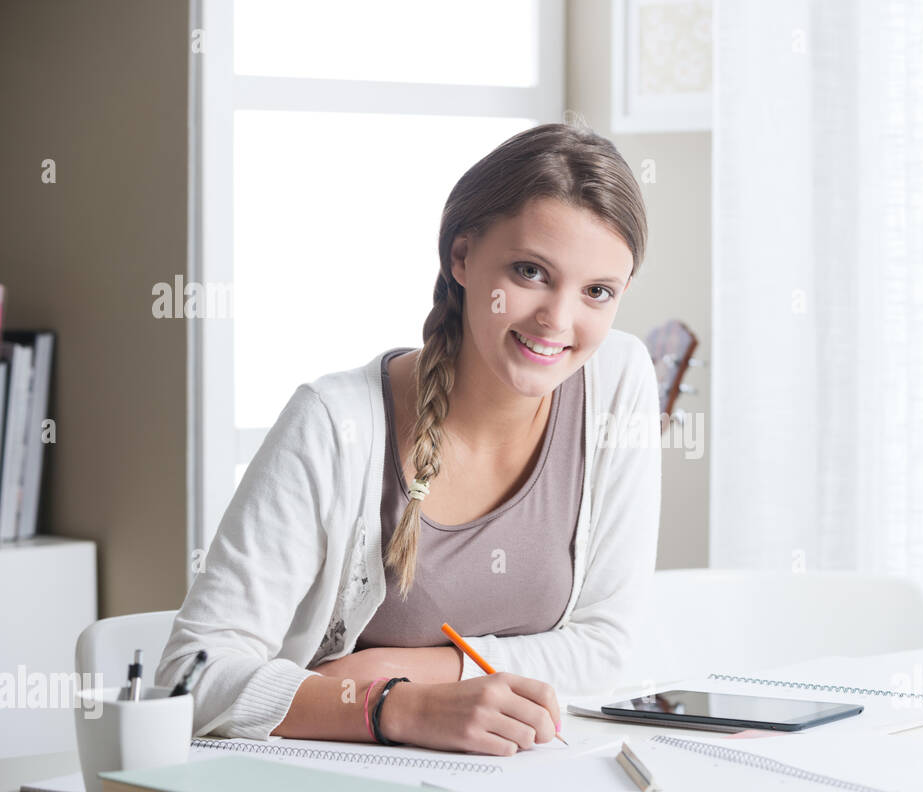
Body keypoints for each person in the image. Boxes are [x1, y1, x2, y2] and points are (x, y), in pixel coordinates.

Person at [157, 121, 661, 756]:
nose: (558, 322)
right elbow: (189, 675)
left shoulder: (618, 380)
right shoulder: (334, 424)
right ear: (462, 256)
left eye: (597, 292)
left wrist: (412, 674)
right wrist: (395, 709)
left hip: (532, 781)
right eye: (531, 271)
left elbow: (607, 650)